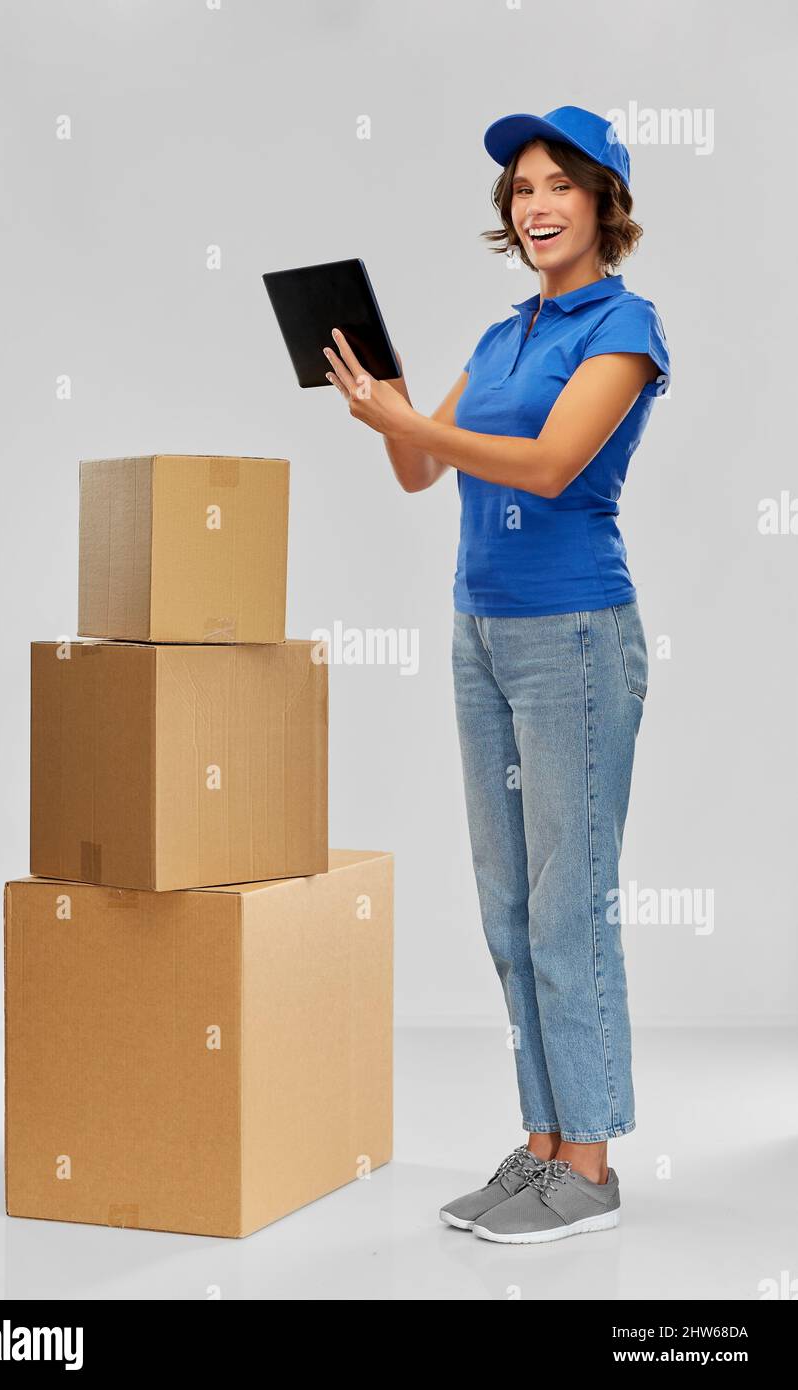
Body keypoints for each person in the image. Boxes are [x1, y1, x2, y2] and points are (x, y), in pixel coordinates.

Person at [322, 105, 670, 1245]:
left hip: (572, 633)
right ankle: (539, 1146)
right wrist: (386, 403)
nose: (534, 204)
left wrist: (417, 421)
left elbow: (553, 463)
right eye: (520, 187)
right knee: (510, 905)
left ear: (601, 204)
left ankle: (594, 1164)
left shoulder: (623, 328)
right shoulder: (498, 336)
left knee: (569, 904)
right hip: (479, 631)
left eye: (558, 184)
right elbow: (424, 473)